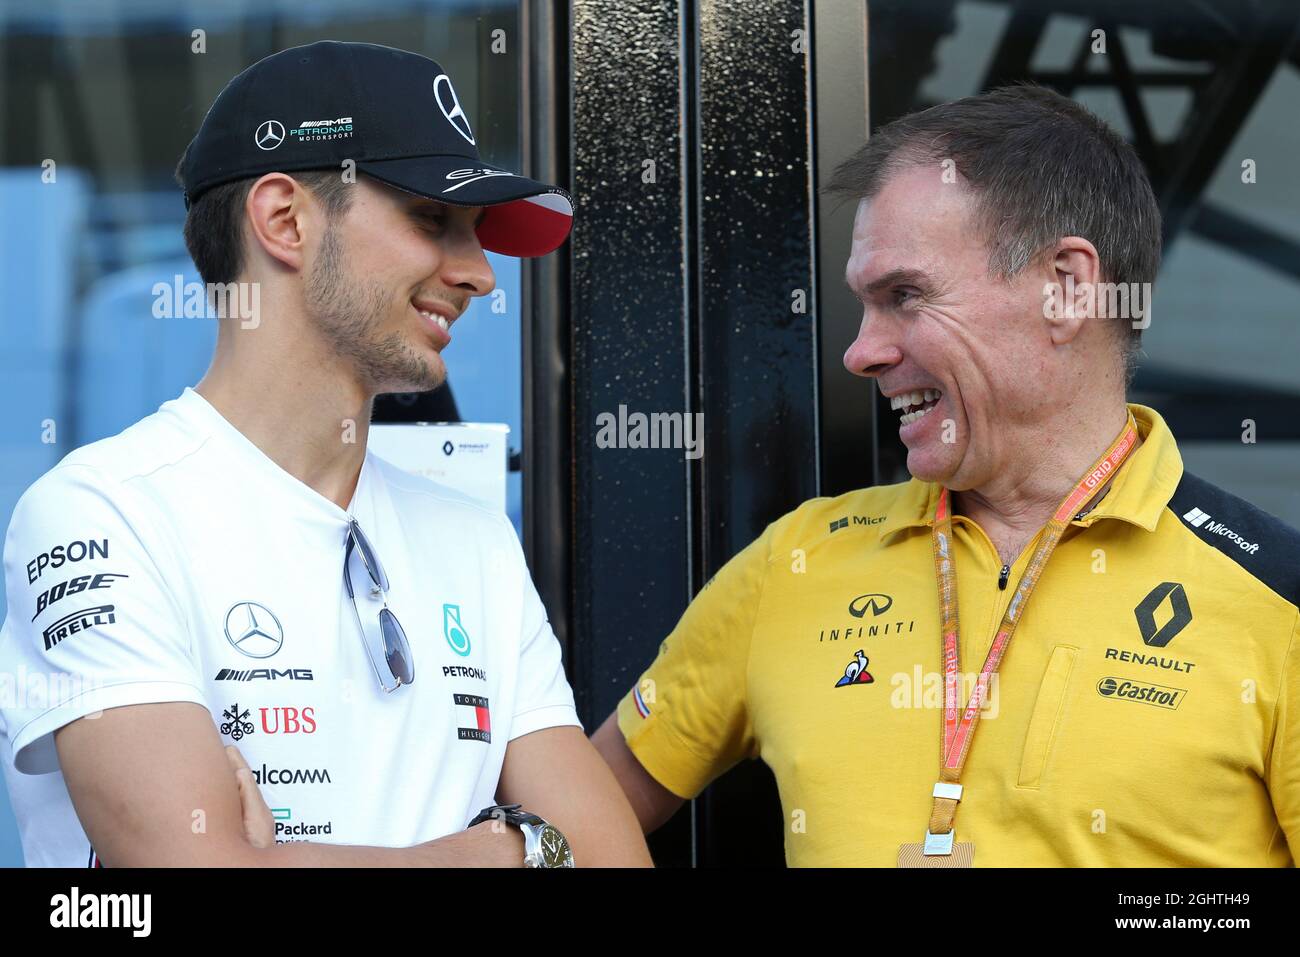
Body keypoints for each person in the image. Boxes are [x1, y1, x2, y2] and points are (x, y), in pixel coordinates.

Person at [592, 84, 1300, 867]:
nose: (862, 352)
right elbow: (578, 814)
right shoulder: (793, 560)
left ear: (1066, 286)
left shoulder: (1279, 602)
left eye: (905, 295)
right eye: (865, 305)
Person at [0, 40, 649, 867]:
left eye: (477, 234)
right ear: (285, 219)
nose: (481, 274)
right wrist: (508, 850)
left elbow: (614, 861)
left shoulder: (475, 540)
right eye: (433, 220)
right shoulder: (102, 513)